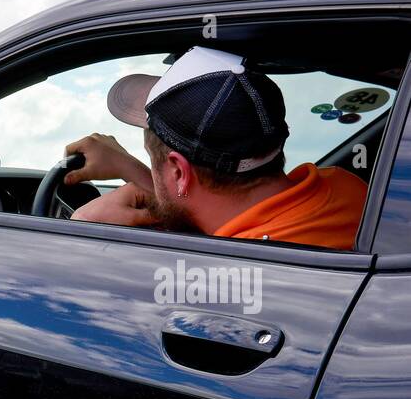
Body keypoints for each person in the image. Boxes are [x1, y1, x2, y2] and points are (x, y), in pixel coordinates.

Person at [65, 46, 368, 250]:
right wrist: (130, 166)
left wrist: (80, 234)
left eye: (150, 155)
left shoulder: (231, 268)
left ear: (179, 171)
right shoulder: (342, 187)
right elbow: (199, 204)